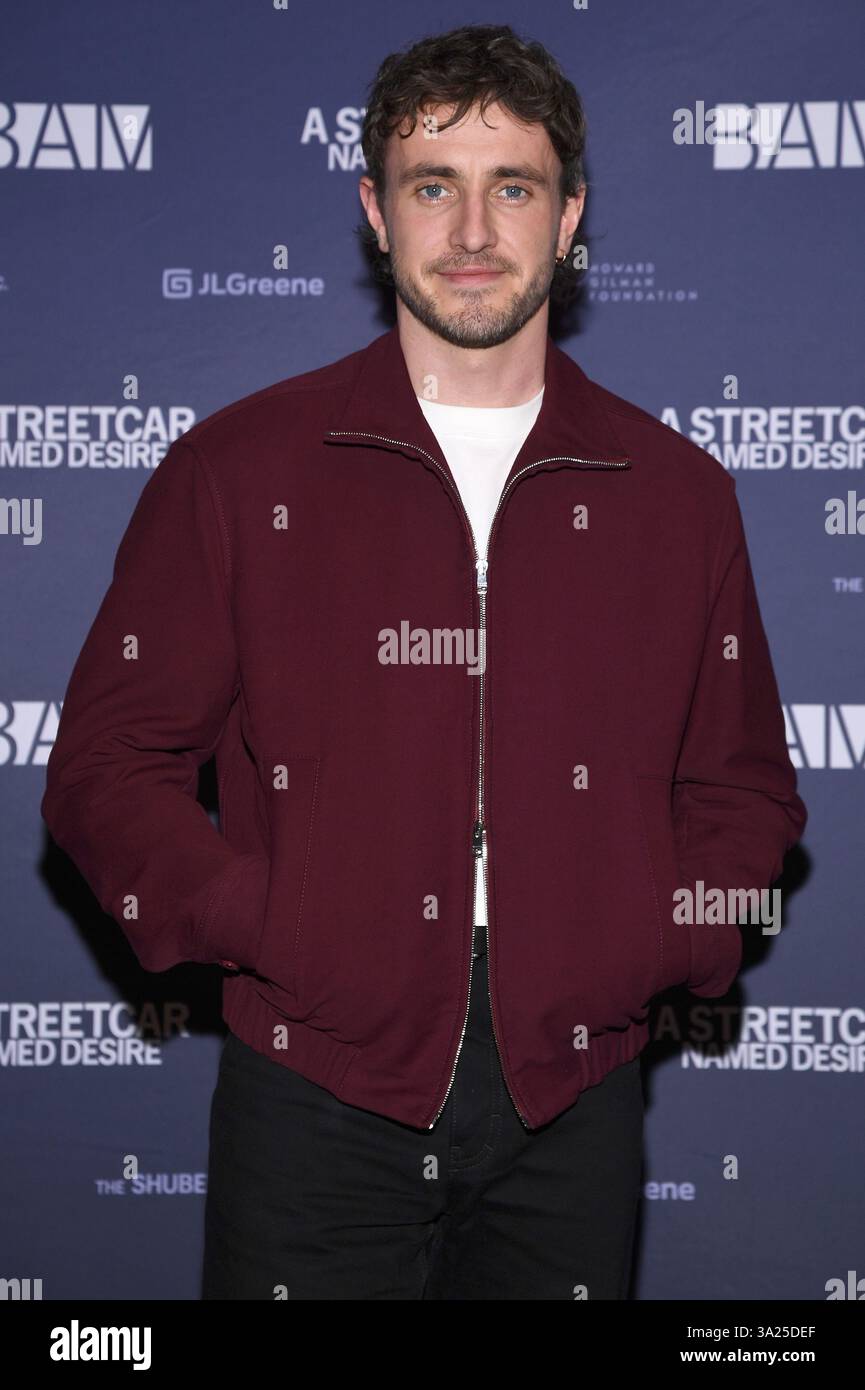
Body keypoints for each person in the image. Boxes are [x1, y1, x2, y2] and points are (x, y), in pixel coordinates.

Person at [41, 24, 807, 1300]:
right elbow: (103, 772)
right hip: (314, 1082)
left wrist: (653, 943)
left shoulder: (678, 495)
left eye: (511, 187)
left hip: (577, 1089)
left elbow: (746, 799)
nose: (470, 228)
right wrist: (269, 923)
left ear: (569, 217)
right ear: (372, 213)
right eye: (429, 185)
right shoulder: (240, 470)